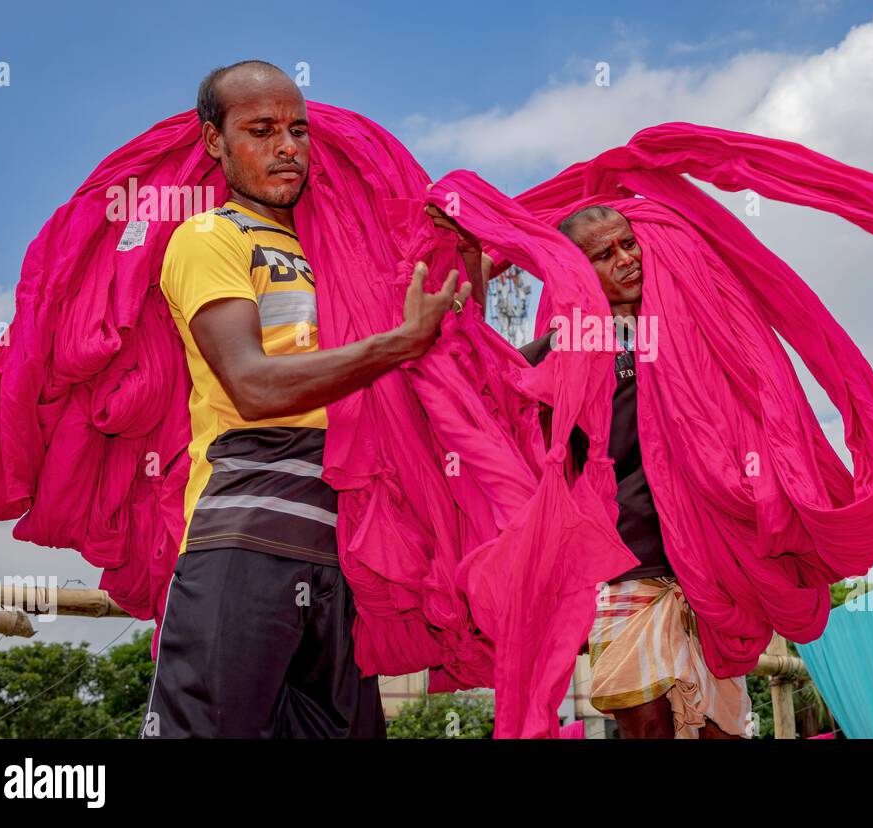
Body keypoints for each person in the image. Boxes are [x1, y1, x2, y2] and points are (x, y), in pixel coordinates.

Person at [142, 60, 473, 738]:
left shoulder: (345, 253)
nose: (286, 147)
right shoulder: (211, 239)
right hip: (245, 532)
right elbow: (253, 386)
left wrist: (463, 262)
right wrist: (399, 344)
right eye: (260, 131)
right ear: (214, 142)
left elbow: (449, 372)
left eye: (298, 130)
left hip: (351, 546)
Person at [520, 205, 751, 739]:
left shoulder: (693, 325)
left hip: (713, 565)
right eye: (605, 255)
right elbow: (490, 382)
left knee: (719, 731)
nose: (626, 260)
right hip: (624, 563)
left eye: (629, 244)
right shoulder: (567, 349)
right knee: (646, 727)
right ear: (578, 272)